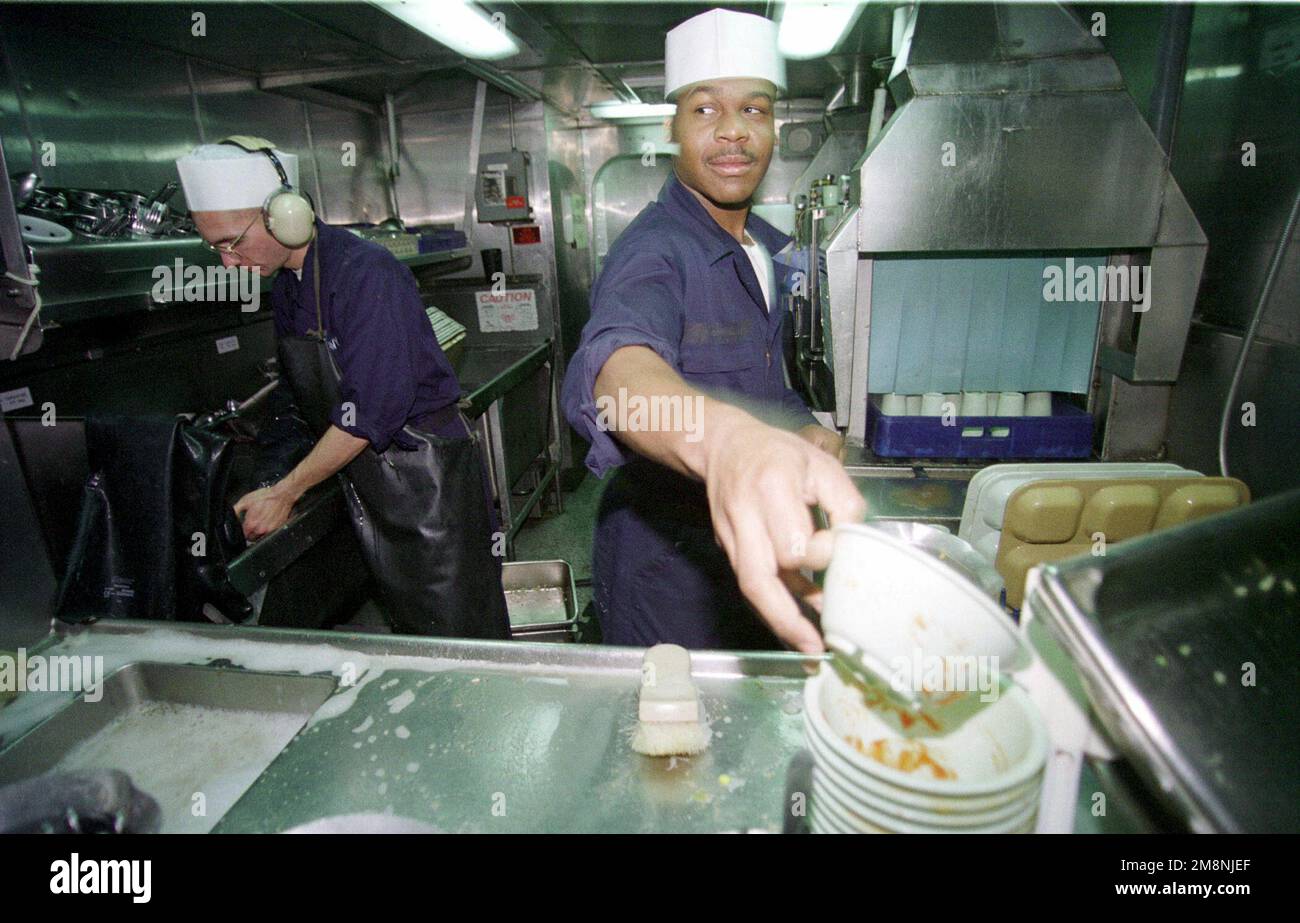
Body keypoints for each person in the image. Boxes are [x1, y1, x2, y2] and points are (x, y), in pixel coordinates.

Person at [561, 9, 865, 653]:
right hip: (666, 568)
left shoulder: (766, 248)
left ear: (775, 126)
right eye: (705, 110)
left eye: (754, 110)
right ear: (672, 126)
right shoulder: (654, 250)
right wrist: (725, 443)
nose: (733, 132)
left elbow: (753, 377)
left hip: (746, 545)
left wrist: (802, 426)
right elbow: (617, 370)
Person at [175, 138, 510, 639]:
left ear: (283, 216)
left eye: (232, 242)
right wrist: (267, 483)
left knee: (459, 628)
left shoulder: (366, 274)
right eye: (215, 248)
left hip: (424, 482)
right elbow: (293, 398)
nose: (228, 262)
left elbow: (370, 409)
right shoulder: (290, 284)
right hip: (364, 478)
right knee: (410, 629)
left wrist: (289, 491)